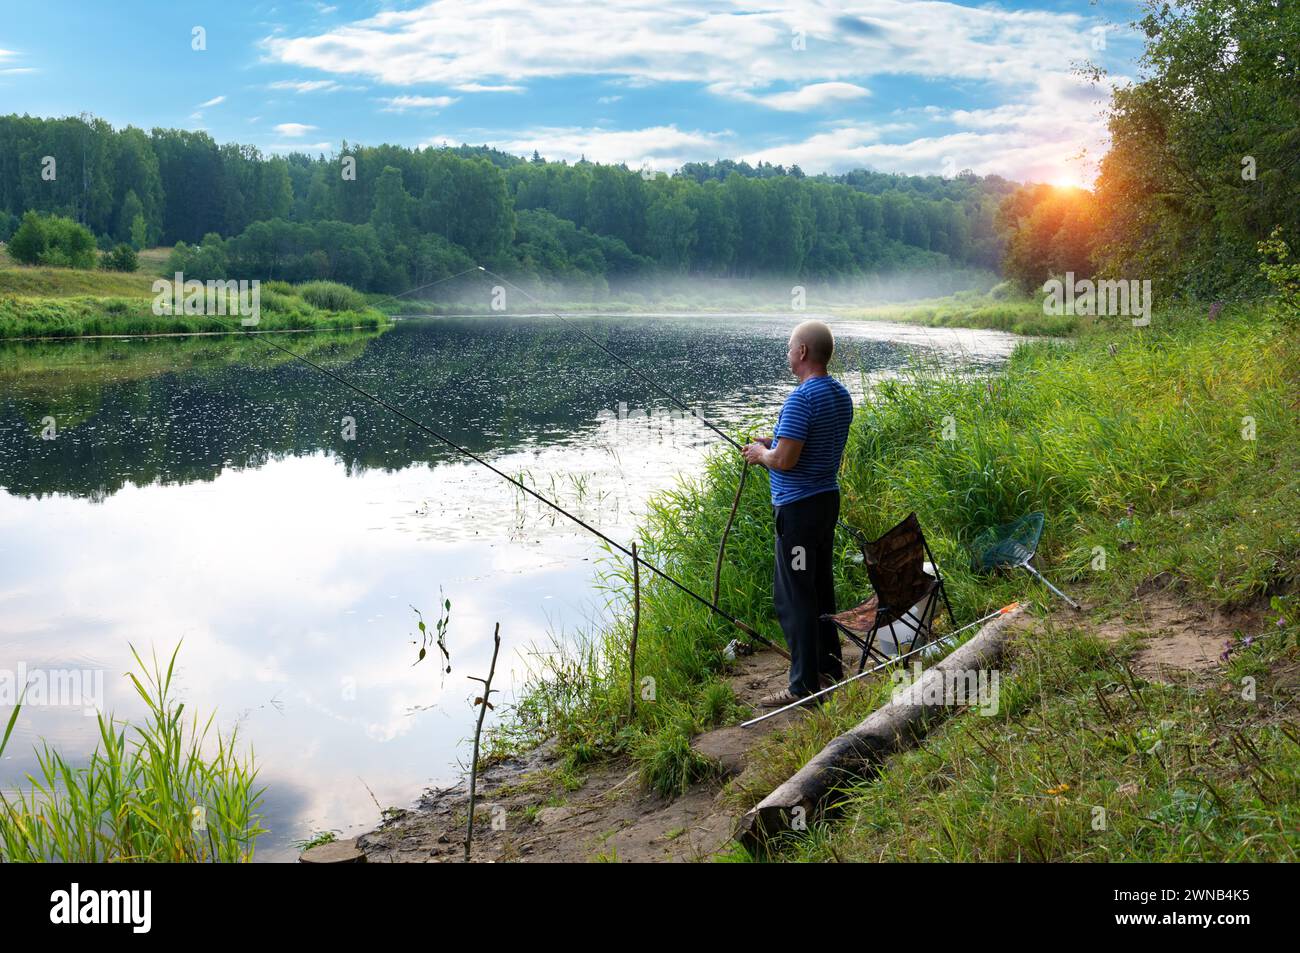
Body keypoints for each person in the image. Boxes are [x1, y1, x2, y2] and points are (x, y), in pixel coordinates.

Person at [741, 320, 853, 707]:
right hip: (825, 504)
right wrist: (774, 443)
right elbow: (809, 447)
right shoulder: (839, 395)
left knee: (795, 596)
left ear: (803, 352)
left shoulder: (801, 398)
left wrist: (762, 455)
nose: (788, 354)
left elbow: (785, 461)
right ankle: (830, 667)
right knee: (820, 586)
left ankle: (803, 684)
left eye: (790, 348)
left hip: (799, 512)